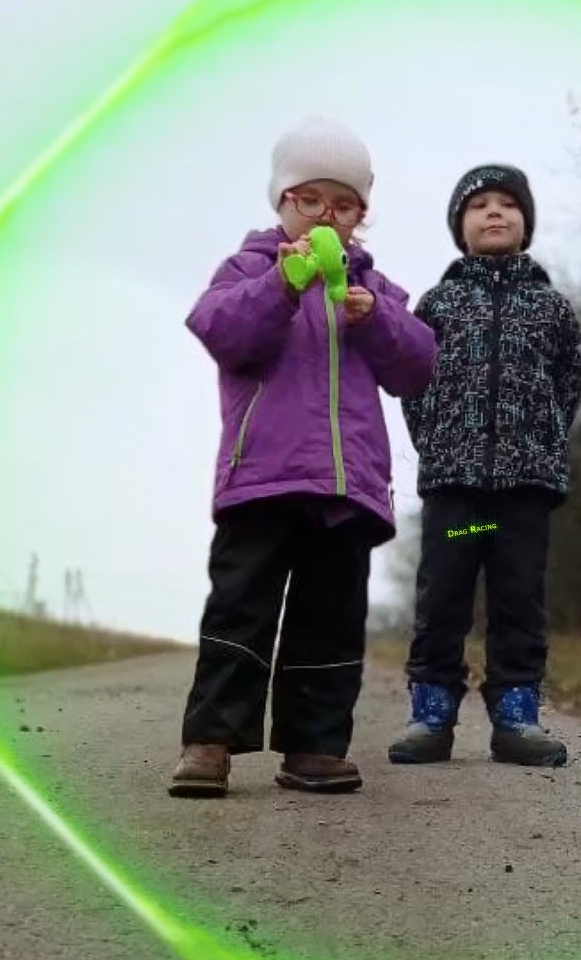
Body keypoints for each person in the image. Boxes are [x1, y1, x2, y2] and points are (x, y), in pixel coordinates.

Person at [171, 116, 438, 797]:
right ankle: (210, 744)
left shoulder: (375, 289)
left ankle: (315, 747)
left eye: (343, 204)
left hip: (347, 488)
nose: (327, 214)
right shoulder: (250, 268)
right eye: (310, 198)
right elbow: (221, 330)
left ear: (360, 218)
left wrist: (373, 316)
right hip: (262, 478)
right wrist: (283, 286)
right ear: (283, 201)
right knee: (241, 610)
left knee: (330, 619)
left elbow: (417, 365)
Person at [393, 164, 581, 767]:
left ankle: (516, 716)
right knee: (445, 591)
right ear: (460, 227)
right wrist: (443, 446)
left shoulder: (552, 308)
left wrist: (541, 443)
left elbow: (567, 386)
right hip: (459, 494)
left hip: (523, 494)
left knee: (517, 595)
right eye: (479, 206)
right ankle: (432, 714)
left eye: (507, 204)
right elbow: (413, 387)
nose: (494, 213)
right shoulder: (438, 303)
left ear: (525, 223)